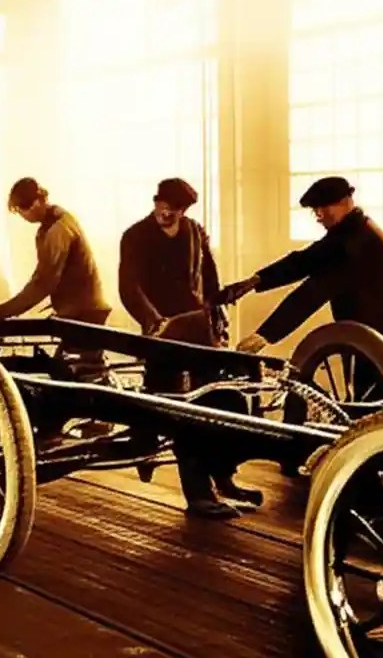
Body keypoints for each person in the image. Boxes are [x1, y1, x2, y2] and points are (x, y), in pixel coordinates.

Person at [119, 178, 261, 519]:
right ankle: (198, 495)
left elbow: (209, 281)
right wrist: (154, 323)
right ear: (155, 202)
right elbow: (129, 287)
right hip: (163, 336)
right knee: (178, 412)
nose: (169, 214)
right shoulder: (136, 236)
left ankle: (224, 479)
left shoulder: (195, 232)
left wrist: (217, 314)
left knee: (215, 404)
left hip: (199, 331)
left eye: (177, 210)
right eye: (165, 207)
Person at [224, 175, 383, 396]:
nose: (318, 216)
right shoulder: (348, 232)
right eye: (315, 210)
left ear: (346, 201)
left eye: (323, 207)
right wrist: (254, 281)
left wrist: (264, 336)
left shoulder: (357, 242)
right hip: (369, 342)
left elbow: (312, 292)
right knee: (372, 410)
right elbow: (304, 260)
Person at [0, 177, 111, 326]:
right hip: (78, 311)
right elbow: (42, 277)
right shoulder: (56, 223)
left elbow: (44, 282)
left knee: (77, 350)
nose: (22, 215)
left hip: (84, 316)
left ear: (37, 202)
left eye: (22, 209)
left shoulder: (57, 230)